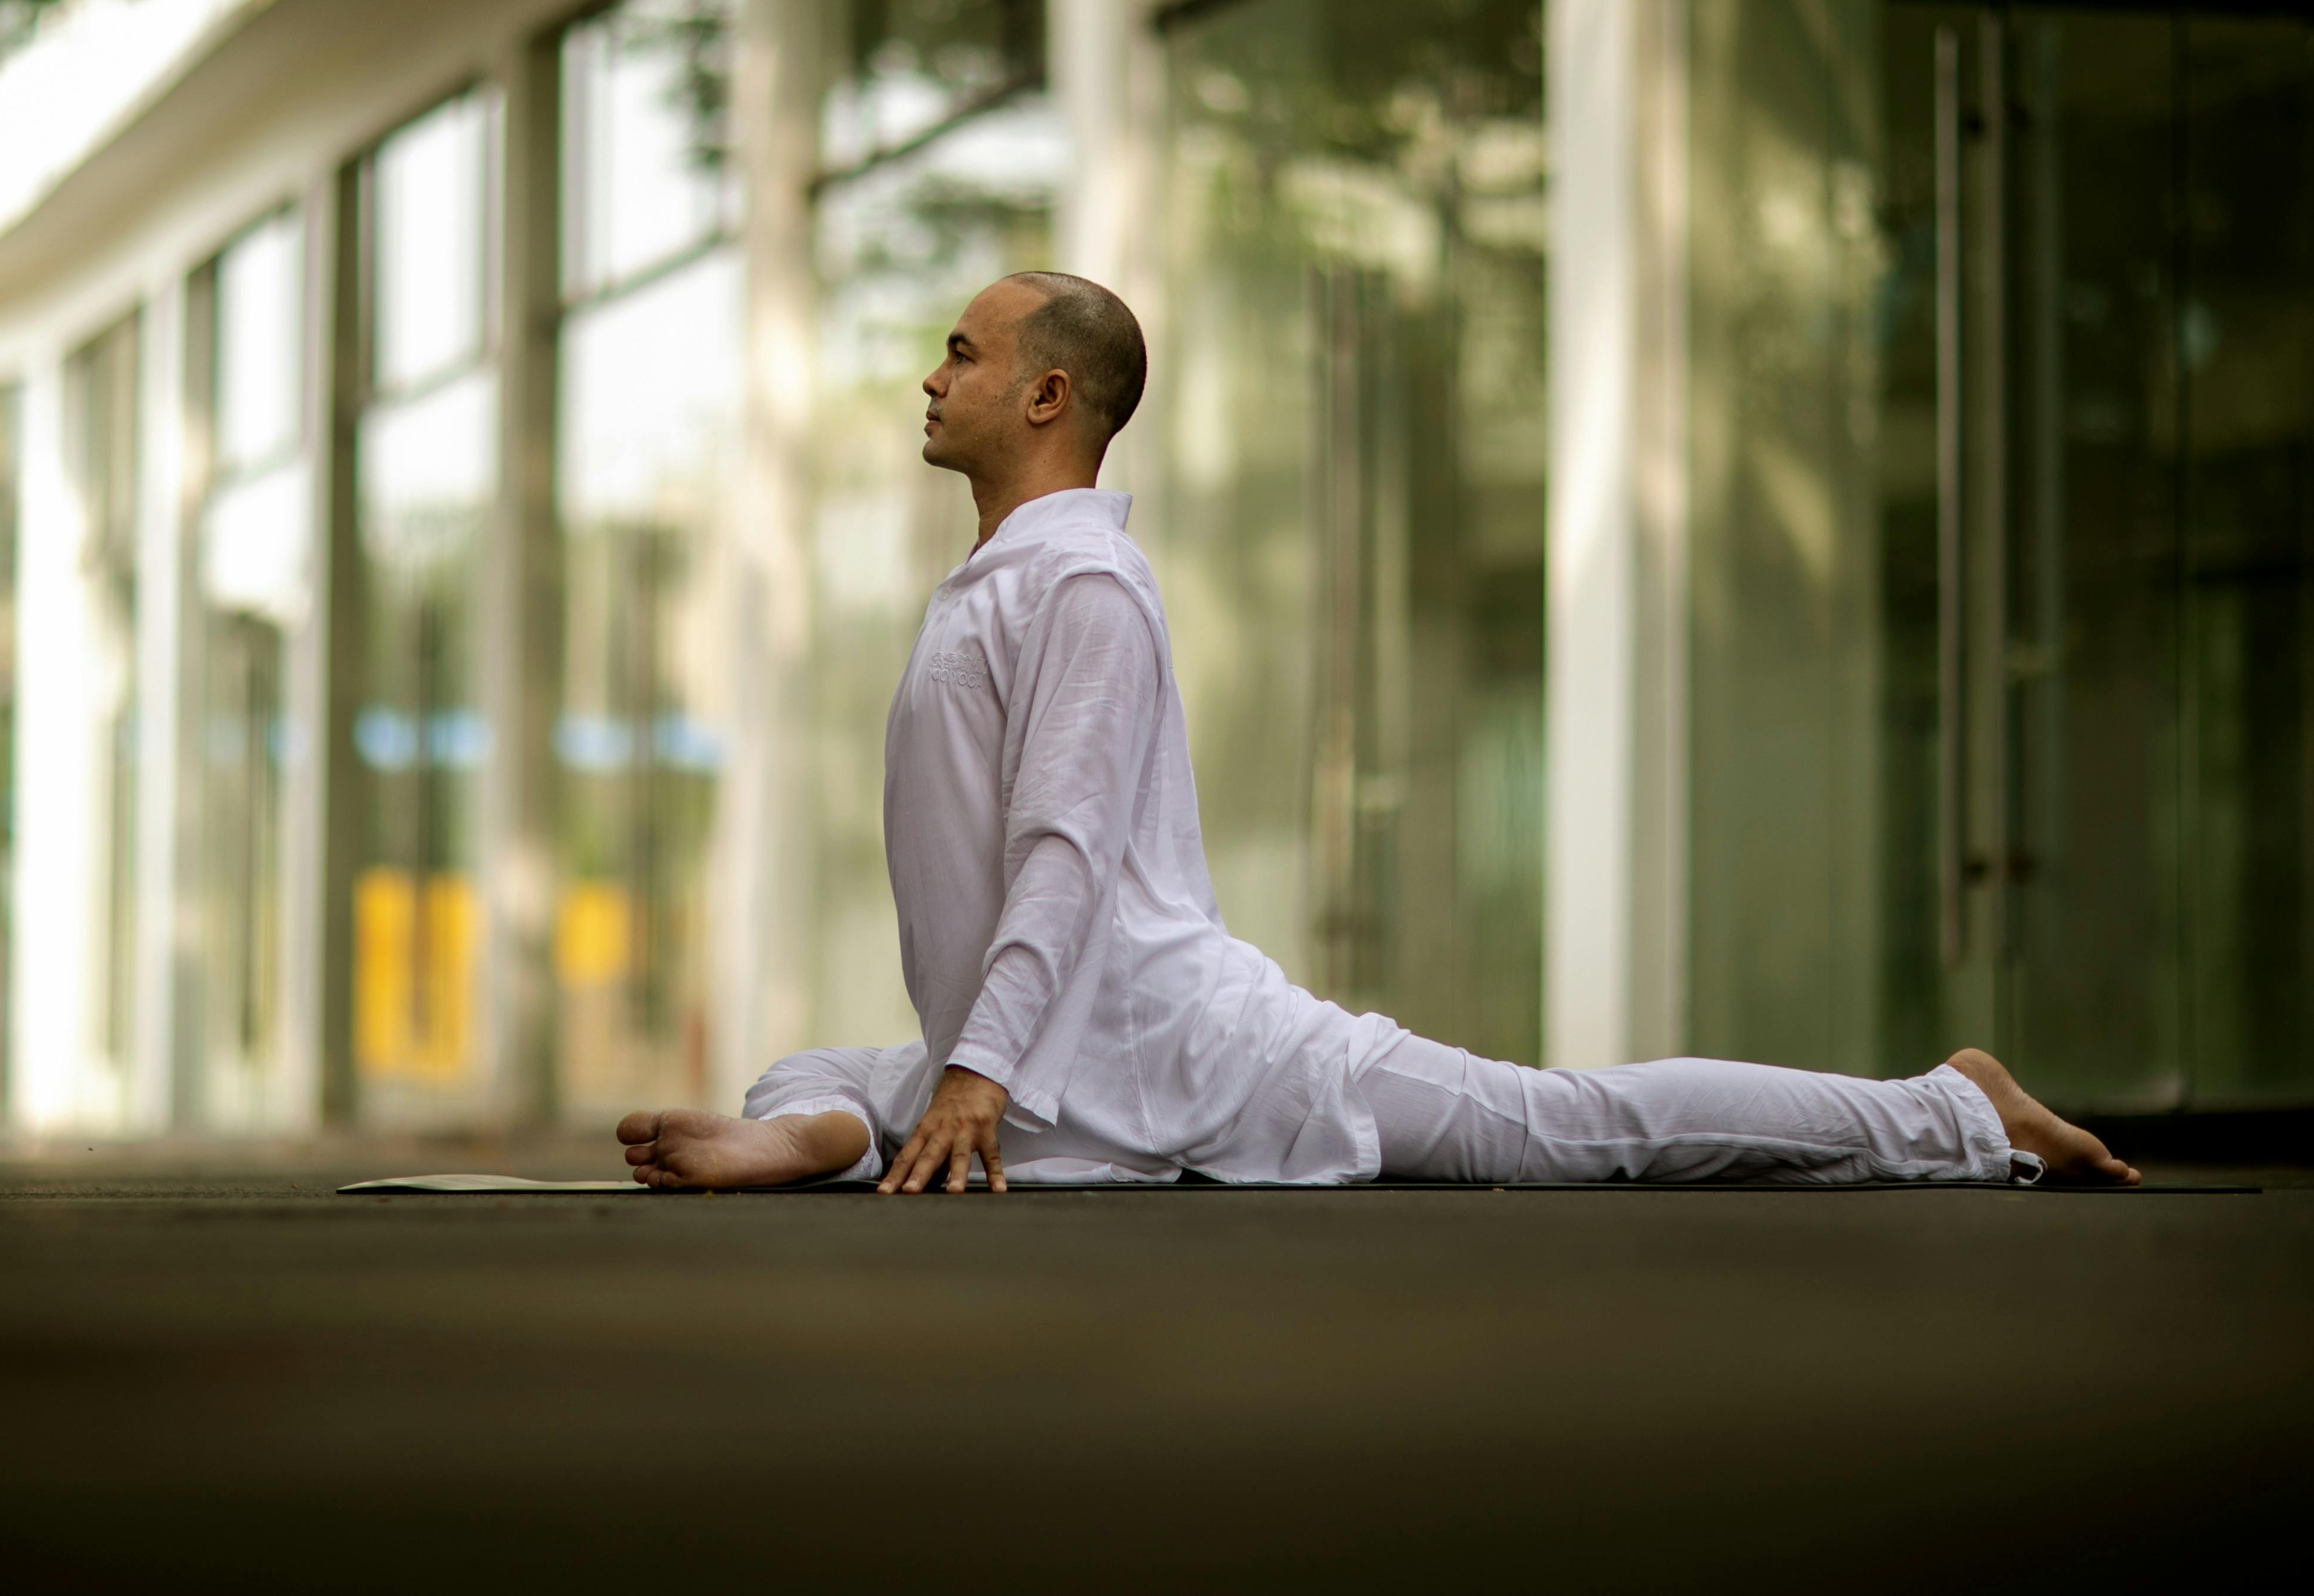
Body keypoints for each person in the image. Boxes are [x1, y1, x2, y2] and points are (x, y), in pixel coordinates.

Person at [616, 273, 2138, 1194]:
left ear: (1045, 392)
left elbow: (1063, 851)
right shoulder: (998, 581)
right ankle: (830, 1123)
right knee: (813, 1067)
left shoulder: (1082, 579)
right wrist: (955, 1070)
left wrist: (972, 1079)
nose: (929, 376)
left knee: (1563, 1130)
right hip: (1048, 1068)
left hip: (1187, 1044)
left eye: (959, 351)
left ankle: (1948, 1106)